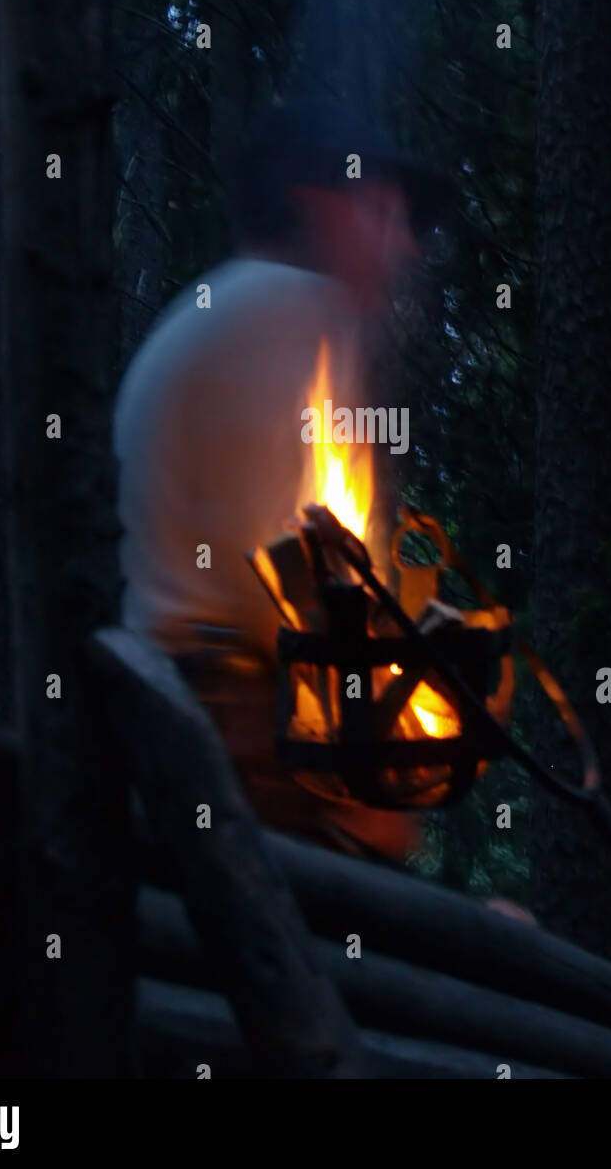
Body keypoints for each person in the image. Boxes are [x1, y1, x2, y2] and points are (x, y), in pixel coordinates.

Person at [113, 95, 449, 863]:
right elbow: (292, 596)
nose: (403, 248)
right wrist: (383, 756)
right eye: (386, 213)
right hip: (228, 733)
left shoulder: (221, 309)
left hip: (176, 718)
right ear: (322, 205)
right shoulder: (291, 313)